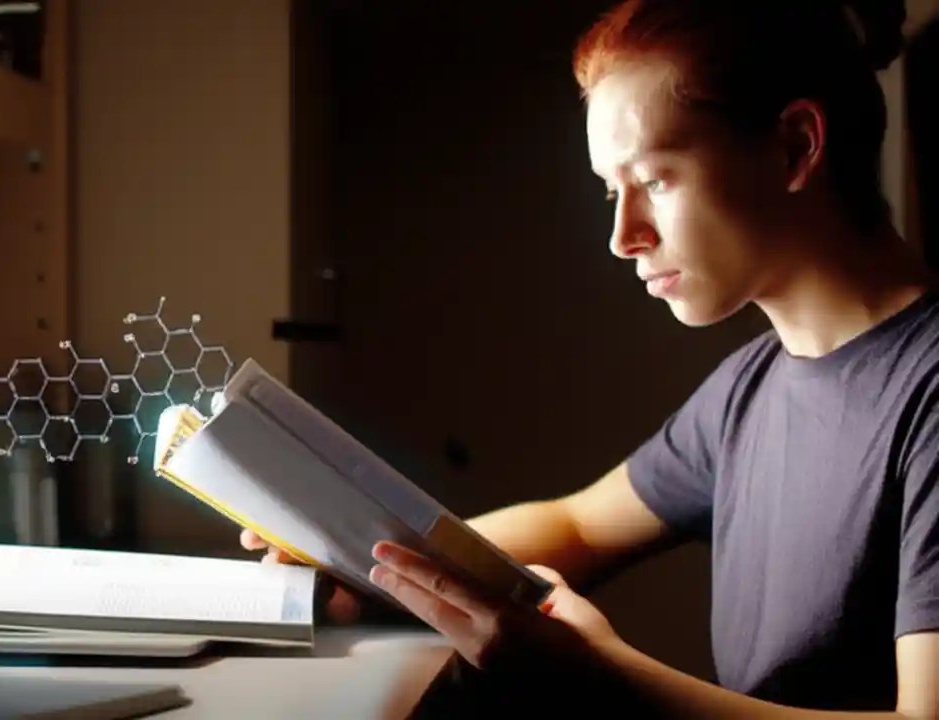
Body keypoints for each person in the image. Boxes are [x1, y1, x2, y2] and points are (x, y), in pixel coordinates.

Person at [242, 0, 939, 715]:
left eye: (656, 180)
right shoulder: (748, 388)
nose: (623, 235)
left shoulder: (929, 392)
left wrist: (605, 677)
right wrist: (361, 558)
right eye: (613, 191)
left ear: (795, 146)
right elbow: (579, 523)